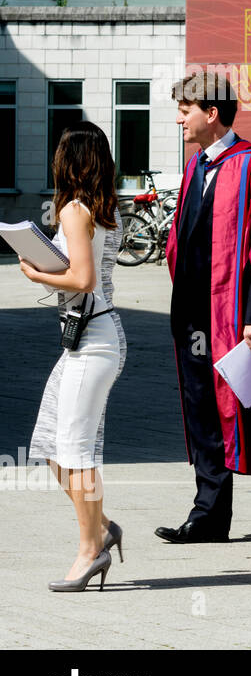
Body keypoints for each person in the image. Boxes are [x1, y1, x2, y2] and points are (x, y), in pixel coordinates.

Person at [158, 72, 251, 544]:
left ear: (214, 113)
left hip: (238, 320)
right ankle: (209, 515)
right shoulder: (195, 168)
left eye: (188, 108)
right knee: (202, 412)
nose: (180, 116)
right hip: (194, 317)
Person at [21, 123, 127, 591]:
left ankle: (90, 551)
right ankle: (101, 528)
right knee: (49, 444)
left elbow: (81, 279)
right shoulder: (105, 209)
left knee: (76, 451)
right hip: (91, 337)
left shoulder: (75, 210)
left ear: (69, 161)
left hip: (93, 339)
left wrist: (33, 272)